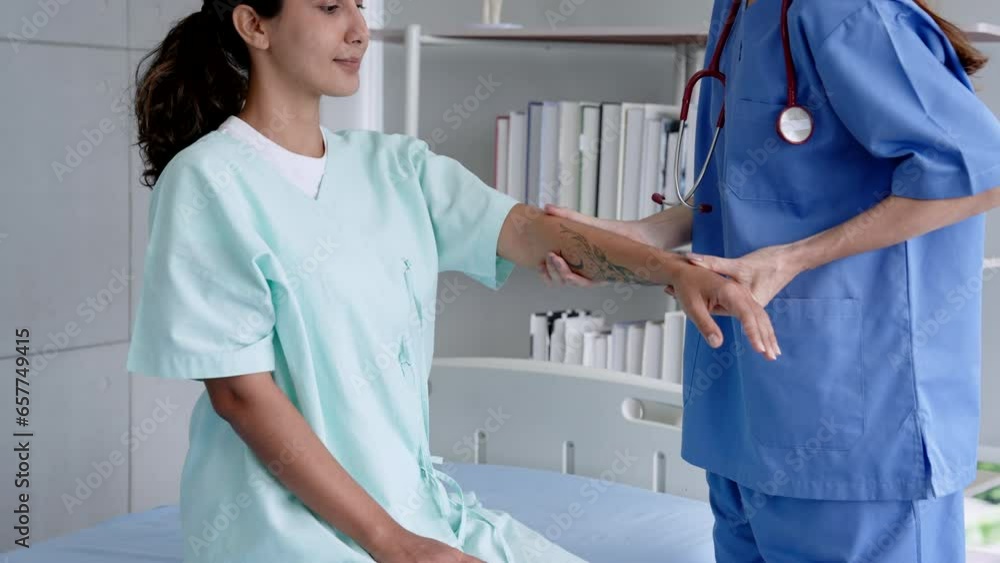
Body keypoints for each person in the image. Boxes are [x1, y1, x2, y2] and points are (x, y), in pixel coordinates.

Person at [125, 1, 780, 562]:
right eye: (329, 7)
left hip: (418, 510)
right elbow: (241, 395)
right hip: (284, 532)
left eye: (358, 6)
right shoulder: (209, 183)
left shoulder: (395, 167)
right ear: (254, 24)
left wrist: (673, 271)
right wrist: (395, 544)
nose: (357, 28)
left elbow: (529, 231)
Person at [542, 0, 1000, 560]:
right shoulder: (741, 8)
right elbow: (765, 182)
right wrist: (647, 235)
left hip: (859, 429)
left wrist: (792, 259)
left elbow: (977, 172)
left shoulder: (845, 10)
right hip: (747, 417)